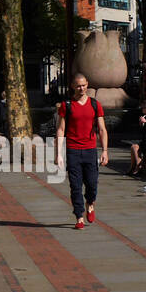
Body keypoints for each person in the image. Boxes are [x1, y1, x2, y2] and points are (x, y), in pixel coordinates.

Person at [54, 73, 109, 229]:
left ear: (87, 85)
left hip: (90, 150)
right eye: (78, 86)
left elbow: (102, 129)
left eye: (84, 85)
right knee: (76, 186)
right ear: (73, 86)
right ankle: (79, 216)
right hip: (73, 151)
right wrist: (58, 154)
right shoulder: (67, 105)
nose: (82, 88)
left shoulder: (95, 104)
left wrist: (104, 151)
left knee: (92, 184)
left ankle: (90, 203)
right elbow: (60, 130)